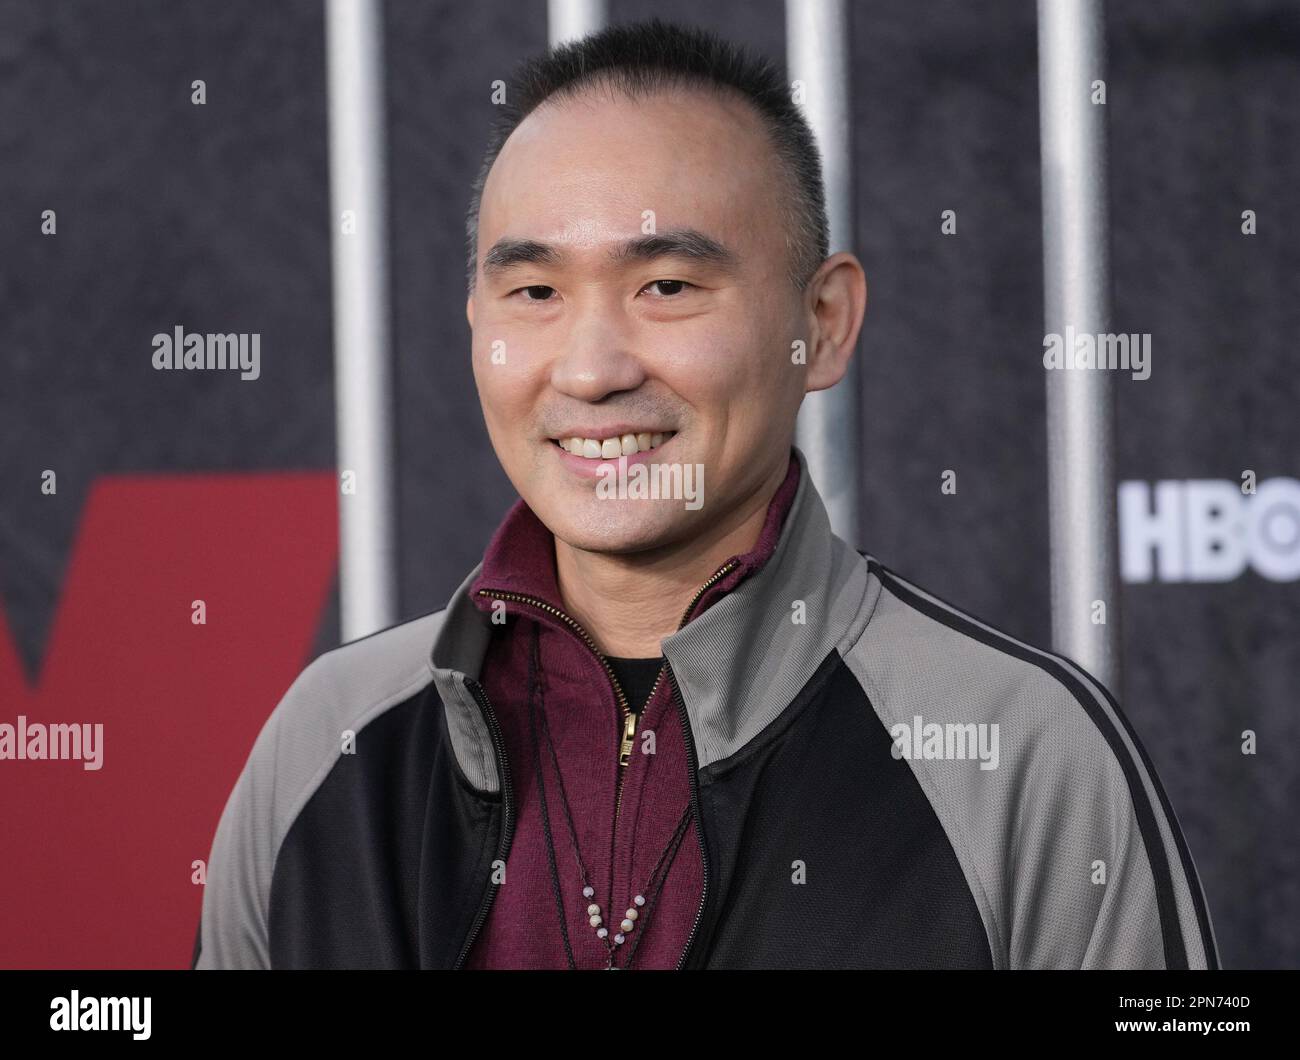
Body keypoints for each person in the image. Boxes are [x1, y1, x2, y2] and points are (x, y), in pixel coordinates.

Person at [193, 17, 1217, 970]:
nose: (590, 369)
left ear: (822, 321)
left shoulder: (1024, 757)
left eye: (667, 286)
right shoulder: (325, 741)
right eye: (535, 292)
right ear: (477, 323)